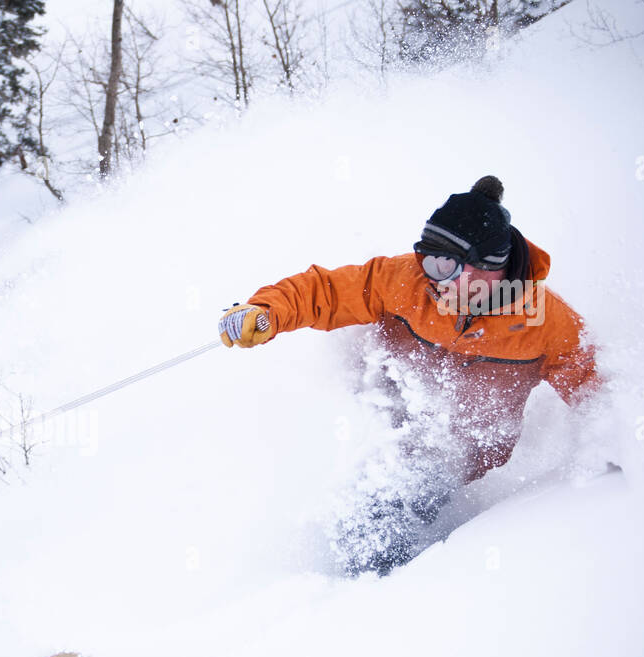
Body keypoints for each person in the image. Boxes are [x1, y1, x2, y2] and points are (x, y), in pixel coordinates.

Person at [218, 175, 600, 576]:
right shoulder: (407, 281)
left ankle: (386, 597)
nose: (431, 277)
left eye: (444, 265)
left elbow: (595, 385)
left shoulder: (546, 321)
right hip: (388, 425)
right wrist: (266, 312)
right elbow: (326, 291)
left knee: (403, 495)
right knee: (372, 512)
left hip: (462, 457)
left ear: (489, 268)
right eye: (427, 259)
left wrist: (616, 448)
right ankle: (347, 593)